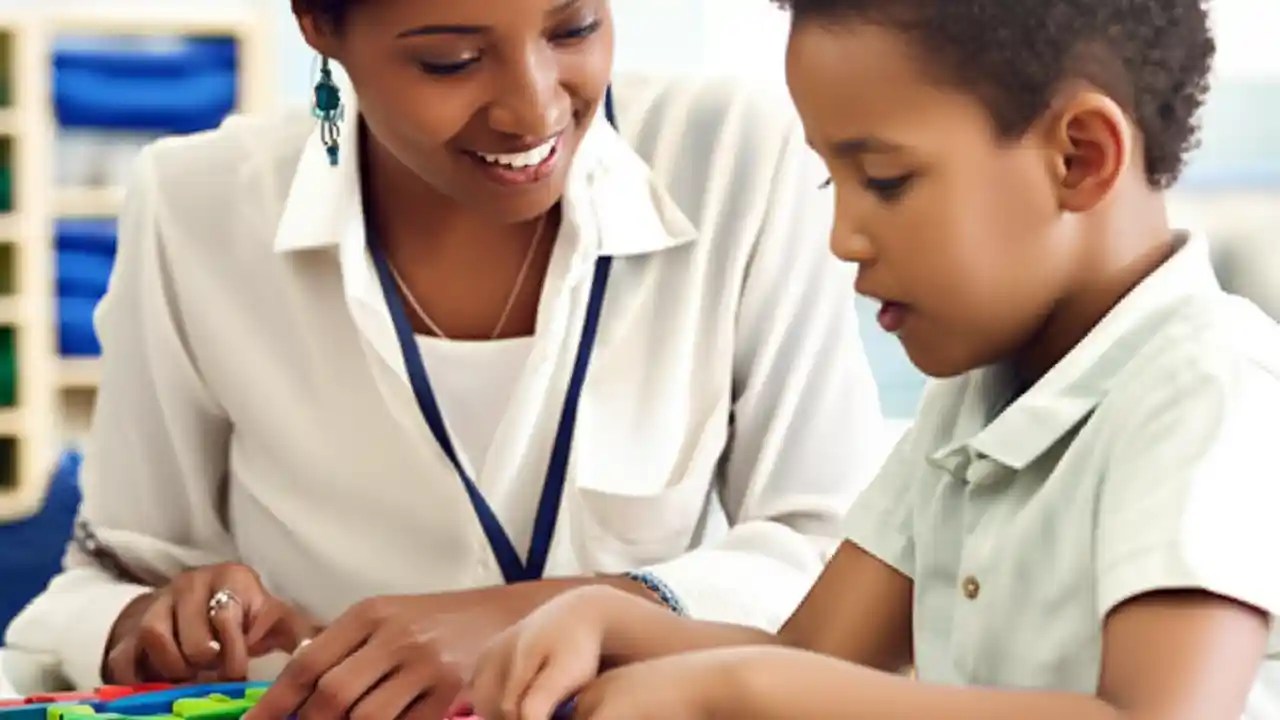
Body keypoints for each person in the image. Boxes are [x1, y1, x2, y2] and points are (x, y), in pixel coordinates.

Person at [2, 0, 886, 712]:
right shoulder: (196, 206)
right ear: (318, 24)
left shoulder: (737, 157)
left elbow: (839, 559)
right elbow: (95, 588)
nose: (535, 108)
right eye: (452, 61)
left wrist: (541, 617)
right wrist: (156, 620)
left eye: (573, 29)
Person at [455, 0, 1280, 718]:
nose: (843, 237)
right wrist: (610, 623)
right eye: (831, 184)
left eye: (884, 181)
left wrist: (735, 693)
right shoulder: (980, 397)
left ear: (1080, 156)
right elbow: (815, 658)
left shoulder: (1206, 385)